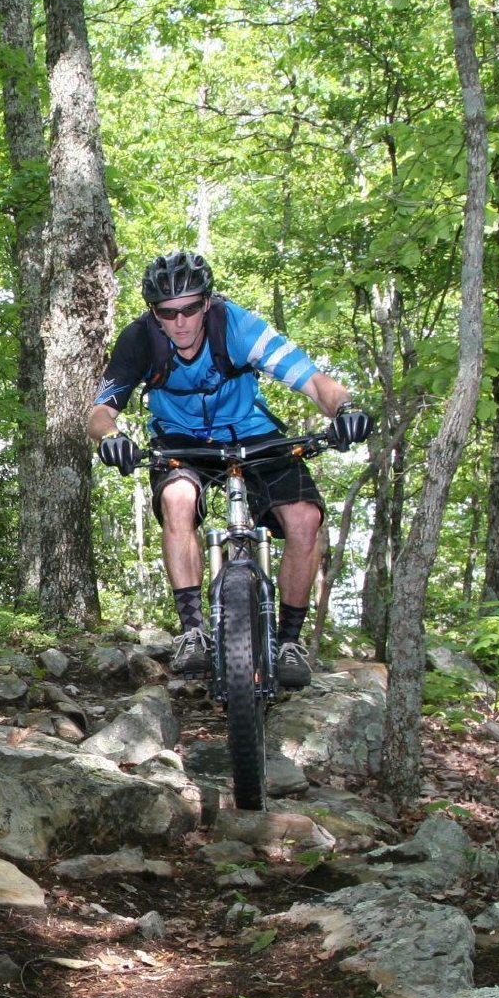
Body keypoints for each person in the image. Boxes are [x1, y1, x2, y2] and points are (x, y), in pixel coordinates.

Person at [85, 250, 370, 689]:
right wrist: (111, 438)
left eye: (191, 308)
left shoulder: (237, 327)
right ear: (153, 313)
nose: (180, 322)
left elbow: (314, 382)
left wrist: (345, 409)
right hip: (179, 438)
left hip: (251, 432)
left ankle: (288, 643)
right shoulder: (141, 339)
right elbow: (100, 411)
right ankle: (194, 633)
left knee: (305, 517)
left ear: (208, 302)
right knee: (177, 499)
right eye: (167, 312)